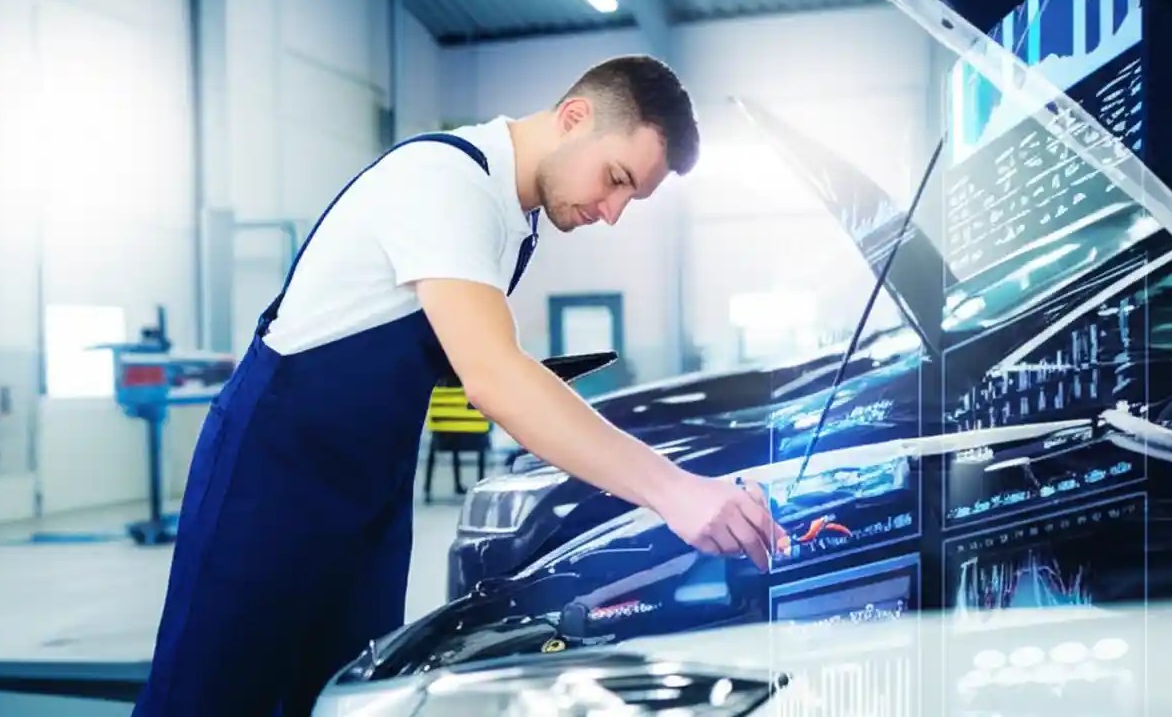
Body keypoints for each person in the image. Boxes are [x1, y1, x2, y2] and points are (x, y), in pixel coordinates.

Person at [132, 54, 786, 717]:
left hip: (370, 485)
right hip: (272, 474)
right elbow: (493, 377)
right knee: (207, 699)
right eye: (616, 179)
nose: (613, 211)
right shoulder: (445, 181)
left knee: (340, 699)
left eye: (631, 198)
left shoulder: (516, 220)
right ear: (574, 116)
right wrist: (675, 491)